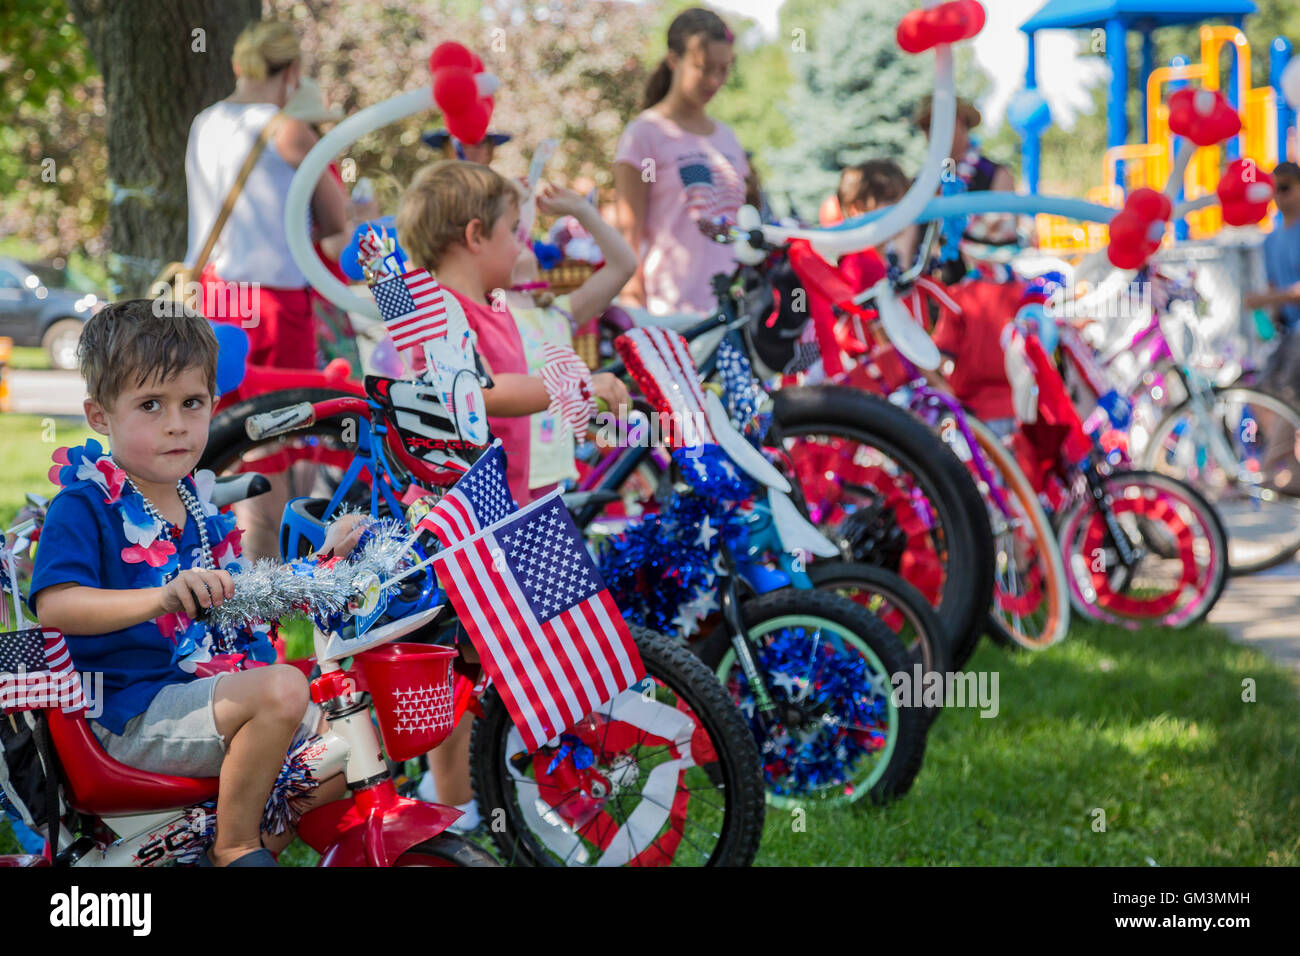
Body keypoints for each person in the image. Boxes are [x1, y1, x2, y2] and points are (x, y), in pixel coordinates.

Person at [27, 300, 366, 866]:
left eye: (192, 403)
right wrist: (159, 597)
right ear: (99, 415)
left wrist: (324, 561)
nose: (176, 423)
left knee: (343, 733)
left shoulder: (197, 505)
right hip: (124, 714)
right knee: (283, 689)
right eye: (150, 405)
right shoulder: (85, 506)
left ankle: (227, 849)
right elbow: (57, 608)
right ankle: (236, 848)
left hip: (197, 694)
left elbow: (240, 597)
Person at [395, 160, 631, 830]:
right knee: (459, 658)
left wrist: (583, 214)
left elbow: (618, 271)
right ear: (474, 235)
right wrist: (574, 381)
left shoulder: (509, 311)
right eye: (511, 232)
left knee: (534, 650)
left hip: (522, 513)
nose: (523, 247)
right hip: (463, 518)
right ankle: (454, 805)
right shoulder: (432, 310)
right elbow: (472, 393)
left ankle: (534, 782)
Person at [184, 20, 358, 369]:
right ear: (292, 71)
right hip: (275, 302)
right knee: (283, 415)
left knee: (218, 414)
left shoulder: (203, 122)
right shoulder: (288, 130)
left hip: (212, 293)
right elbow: (336, 221)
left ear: (239, 65)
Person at [505, 183, 638, 500]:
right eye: (509, 231)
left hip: (552, 482)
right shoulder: (488, 314)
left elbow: (624, 265)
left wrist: (582, 211)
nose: (521, 240)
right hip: (508, 480)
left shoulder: (558, 315)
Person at [613, 7, 749, 315]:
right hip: (670, 312)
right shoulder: (644, 134)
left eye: (724, 69)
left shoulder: (728, 137)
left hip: (730, 309)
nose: (715, 79)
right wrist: (633, 308)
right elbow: (626, 235)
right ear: (674, 60)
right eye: (704, 67)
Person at [1245, 161, 1300, 403]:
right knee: (1261, 393)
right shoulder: (1271, 240)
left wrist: (1264, 299)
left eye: (1286, 188)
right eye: (1274, 189)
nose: (1279, 196)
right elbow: (1273, 286)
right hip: (1288, 333)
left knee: (1286, 395)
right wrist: (1269, 324)